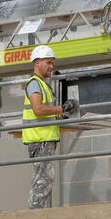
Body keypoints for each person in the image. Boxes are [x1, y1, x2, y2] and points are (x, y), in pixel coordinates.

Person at [20, 44, 73, 210]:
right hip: (40, 139)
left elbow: (46, 111)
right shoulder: (35, 84)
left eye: (52, 63)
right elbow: (38, 109)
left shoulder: (43, 85)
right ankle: (35, 215)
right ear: (37, 63)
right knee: (42, 180)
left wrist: (60, 113)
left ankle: (38, 214)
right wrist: (60, 109)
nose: (51, 67)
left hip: (45, 139)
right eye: (48, 63)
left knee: (45, 179)